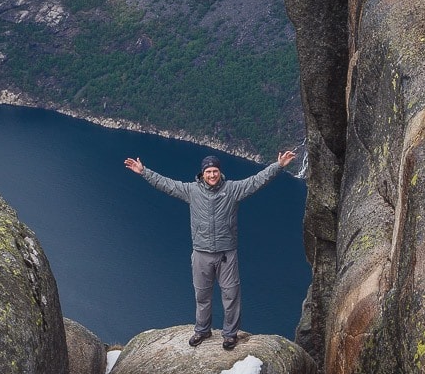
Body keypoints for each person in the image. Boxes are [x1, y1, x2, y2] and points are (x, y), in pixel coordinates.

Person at [124, 150, 298, 350]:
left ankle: (230, 334)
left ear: (220, 172)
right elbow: (166, 184)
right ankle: (202, 330)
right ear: (202, 173)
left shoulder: (233, 189)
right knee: (202, 295)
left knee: (231, 295)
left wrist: (279, 166)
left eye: (215, 171)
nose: (212, 175)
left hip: (226, 254)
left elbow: (257, 181)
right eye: (208, 171)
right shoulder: (191, 191)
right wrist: (144, 172)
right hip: (201, 253)